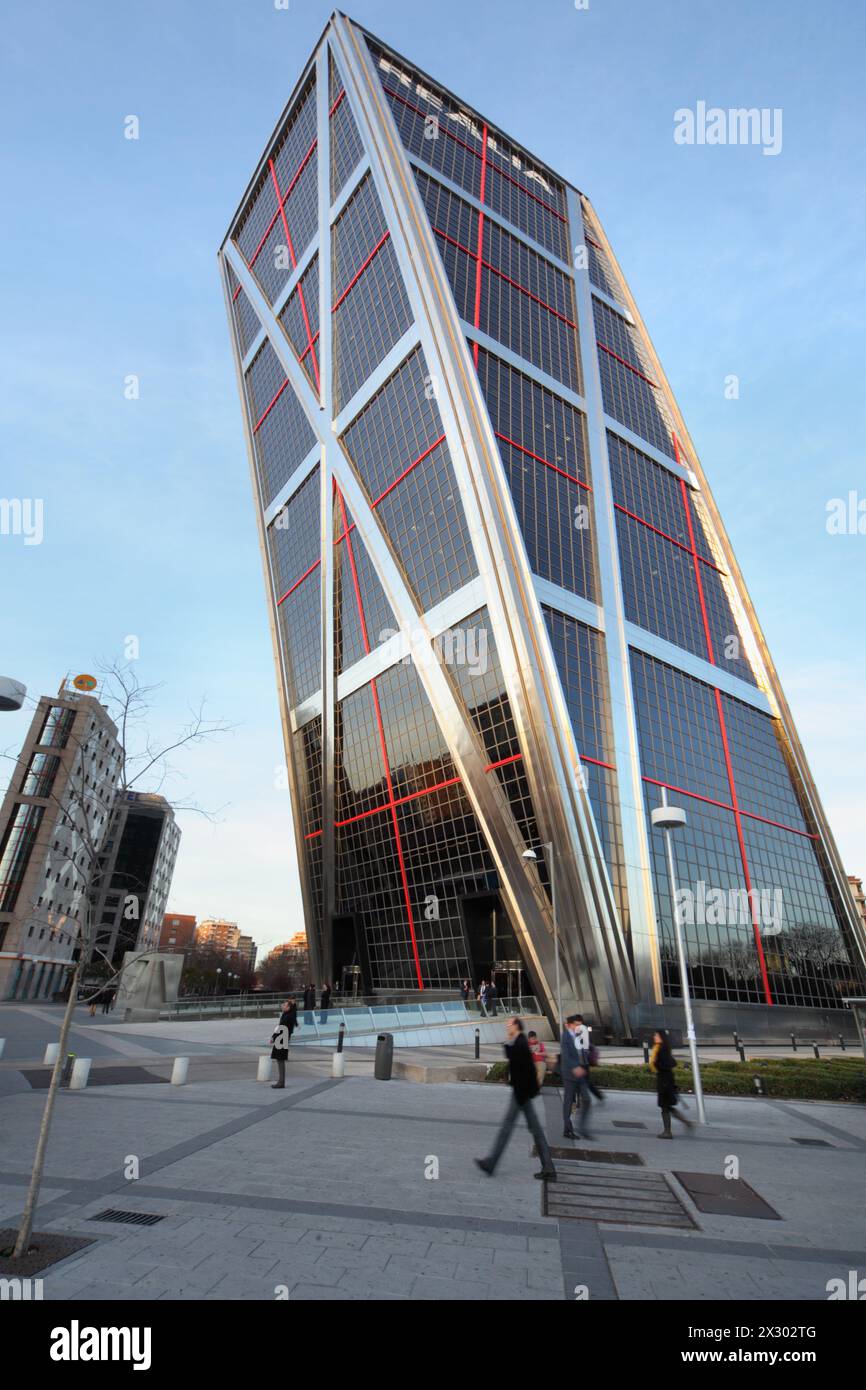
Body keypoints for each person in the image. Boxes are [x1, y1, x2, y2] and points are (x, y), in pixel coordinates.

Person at [475, 1018, 556, 1182]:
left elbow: (523, 1066)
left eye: (509, 1024)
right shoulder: (519, 1041)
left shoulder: (520, 1043)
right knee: (534, 1131)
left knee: (508, 1129)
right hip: (522, 1093)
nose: (507, 1026)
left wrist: (528, 1092)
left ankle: (491, 1163)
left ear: (517, 1026)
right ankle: (548, 1168)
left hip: (521, 1094)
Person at [649, 1029, 693, 1139]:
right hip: (665, 1080)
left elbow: (666, 1064)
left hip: (664, 1081)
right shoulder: (662, 1048)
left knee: (665, 1106)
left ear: (661, 1037)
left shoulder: (662, 1049)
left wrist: (655, 1064)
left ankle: (668, 1132)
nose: (654, 1037)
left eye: (656, 1035)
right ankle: (685, 1122)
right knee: (667, 1106)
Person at [560, 1014, 593, 1140]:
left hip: (580, 1073)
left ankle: (582, 1127)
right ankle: (567, 1129)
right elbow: (566, 1055)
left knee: (587, 1099)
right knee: (568, 1102)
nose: (579, 1027)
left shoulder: (580, 1035)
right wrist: (575, 1067)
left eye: (580, 1025)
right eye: (577, 1025)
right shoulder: (566, 1036)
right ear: (569, 1025)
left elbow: (583, 1051)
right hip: (570, 1073)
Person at [573, 1014, 604, 1103]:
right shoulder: (579, 1031)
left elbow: (585, 1046)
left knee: (584, 1082)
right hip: (580, 1061)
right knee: (584, 1082)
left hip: (583, 1062)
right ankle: (596, 1096)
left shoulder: (583, 1032)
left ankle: (583, 1099)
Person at [269, 999, 298, 1088]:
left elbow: (281, 1027)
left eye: (284, 1005)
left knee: (280, 1059)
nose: (282, 1006)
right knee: (279, 1059)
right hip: (282, 1038)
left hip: (282, 1039)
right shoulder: (287, 1015)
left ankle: (281, 1082)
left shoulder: (288, 1016)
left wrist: (273, 1037)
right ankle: (281, 1081)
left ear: (288, 1007)